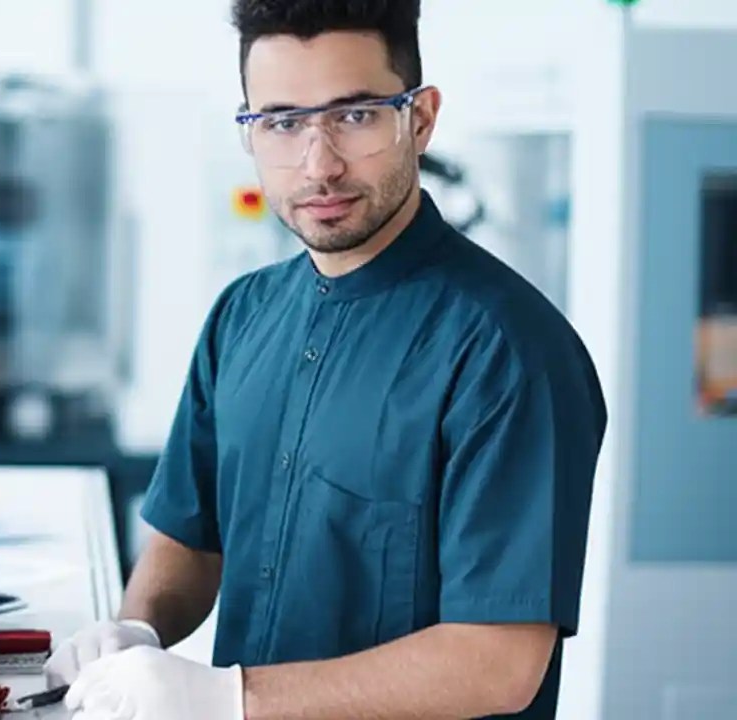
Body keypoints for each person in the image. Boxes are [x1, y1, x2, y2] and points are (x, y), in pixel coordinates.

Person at [44, 1, 608, 718]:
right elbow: (190, 540)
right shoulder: (242, 318)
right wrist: (138, 629)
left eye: (355, 115)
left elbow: (496, 662)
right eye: (282, 122)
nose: (319, 164)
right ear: (248, 132)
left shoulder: (507, 351)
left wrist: (228, 699)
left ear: (421, 118)